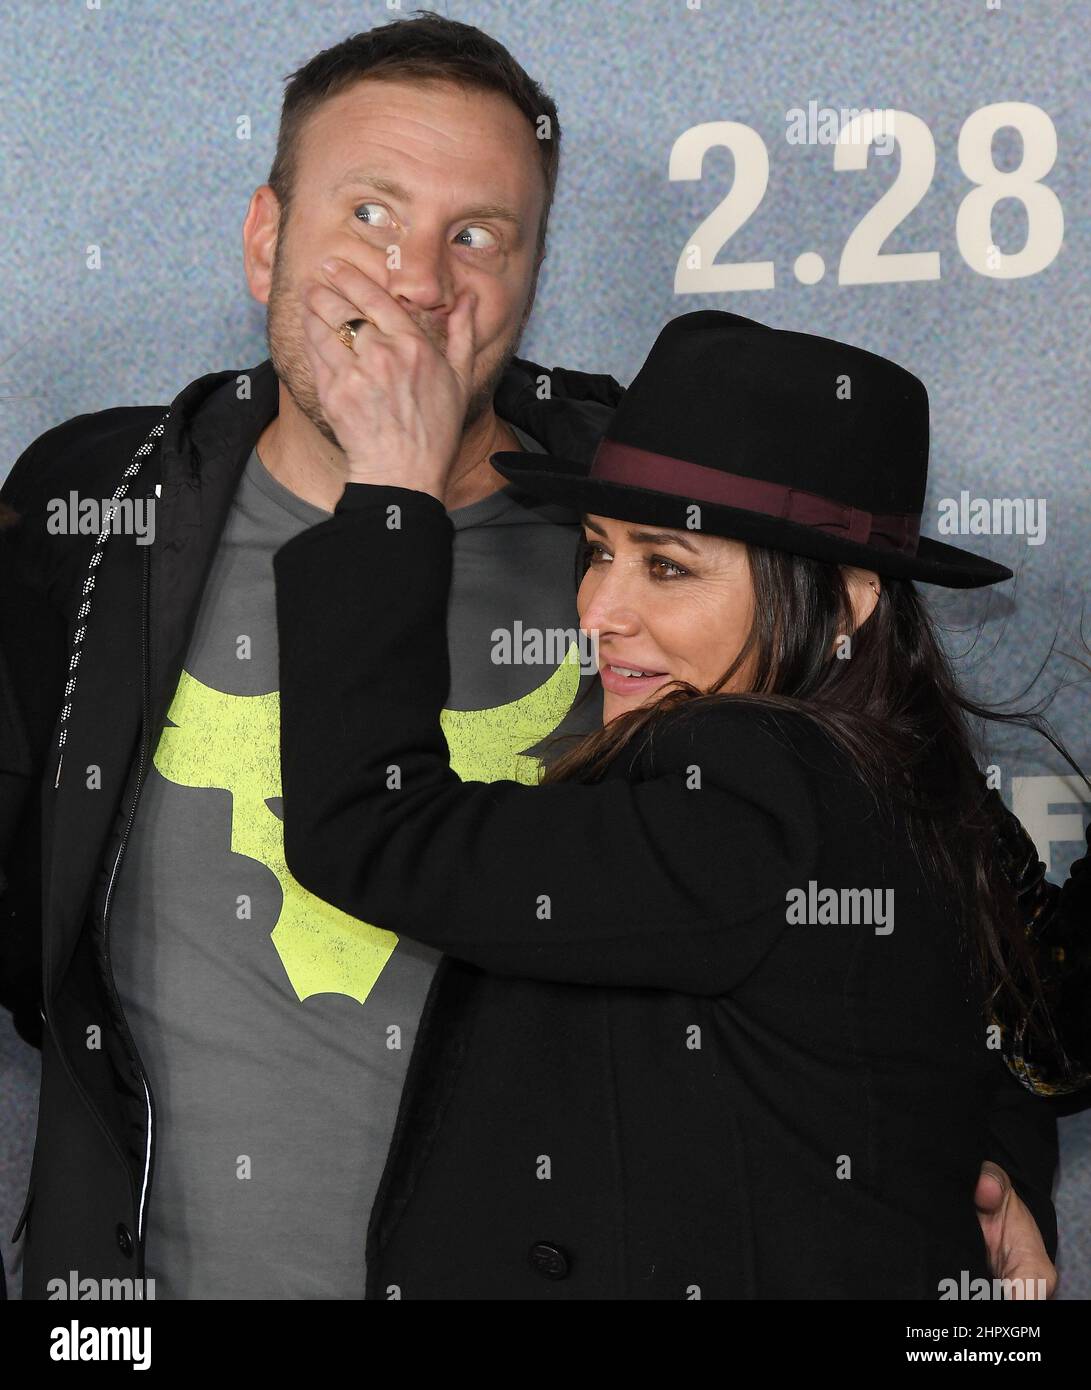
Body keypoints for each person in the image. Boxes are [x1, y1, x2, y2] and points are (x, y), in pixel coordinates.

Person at [0, 14, 1067, 1300]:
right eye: (370, 215)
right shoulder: (98, 501)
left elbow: (940, 895)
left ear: (531, 273)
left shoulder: (676, 502)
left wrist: (978, 1161)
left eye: (477, 236)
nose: (416, 281)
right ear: (265, 239)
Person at [273, 307, 1088, 1298]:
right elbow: (974, 1043)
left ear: (845, 597)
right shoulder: (894, 785)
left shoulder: (751, 778)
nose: (597, 611)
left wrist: (394, 493)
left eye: (666, 565)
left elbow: (372, 821)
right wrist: (996, 1172)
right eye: (597, 548)